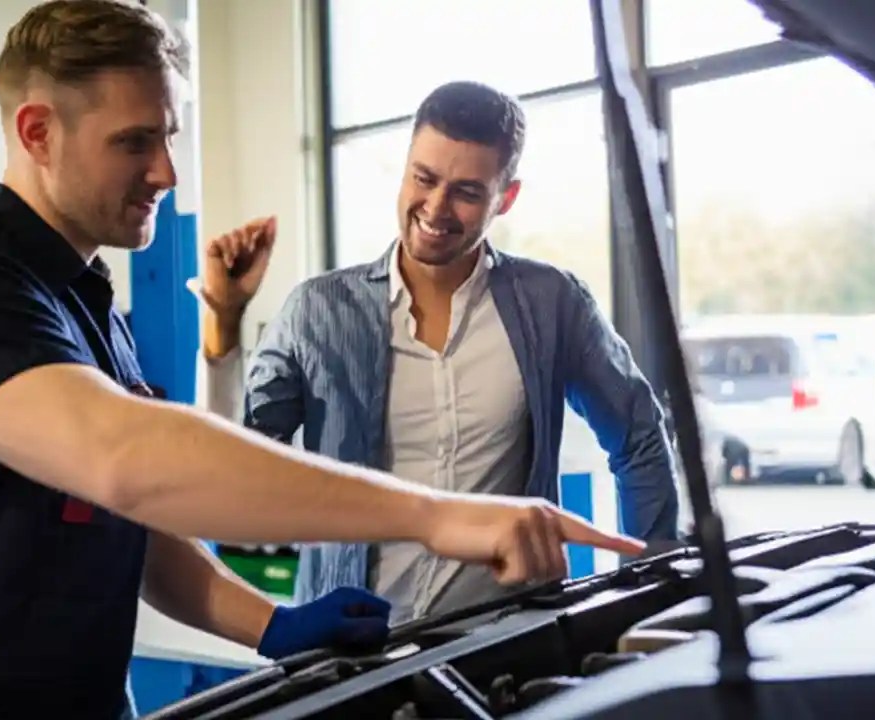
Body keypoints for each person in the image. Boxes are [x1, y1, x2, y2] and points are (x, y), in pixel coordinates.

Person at [0, 3, 644, 719]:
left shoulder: (85, 307)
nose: (167, 172)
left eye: (168, 137)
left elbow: (134, 529)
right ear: (39, 132)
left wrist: (272, 624)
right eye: (136, 142)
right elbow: (130, 463)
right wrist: (442, 514)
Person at [194, 81, 679, 625]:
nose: (437, 207)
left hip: (505, 643)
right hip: (354, 649)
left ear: (506, 197)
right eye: (424, 179)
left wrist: (649, 587)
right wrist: (224, 320)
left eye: (468, 192)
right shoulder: (318, 311)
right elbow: (233, 470)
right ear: (405, 169)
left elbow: (639, 437)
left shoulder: (550, 303)